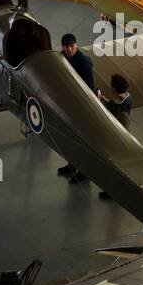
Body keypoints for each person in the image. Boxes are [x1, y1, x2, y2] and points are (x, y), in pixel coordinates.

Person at [58, 33, 95, 183]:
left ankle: (84, 172)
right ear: (63, 47)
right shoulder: (62, 58)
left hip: (83, 106)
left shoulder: (83, 62)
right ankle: (72, 165)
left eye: (72, 46)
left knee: (83, 141)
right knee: (71, 138)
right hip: (70, 105)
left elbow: (89, 88)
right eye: (67, 47)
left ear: (76, 45)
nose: (70, 49)